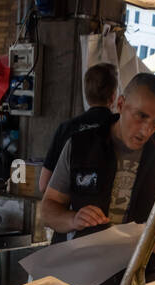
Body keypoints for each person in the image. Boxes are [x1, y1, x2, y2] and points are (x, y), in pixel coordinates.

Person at [40, 71, 155, 285]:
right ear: (120, 104)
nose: (146, 130)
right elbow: (48, 209)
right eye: (140, 116)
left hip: (141, 283)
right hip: (79, 279)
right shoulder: (80, 145)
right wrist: (72, 219)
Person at [38, 62, 118, 196]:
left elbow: (44, 185)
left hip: (70, 211)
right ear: (113, 96)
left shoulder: (66, 128)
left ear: (86, 95)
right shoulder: (118, 127)